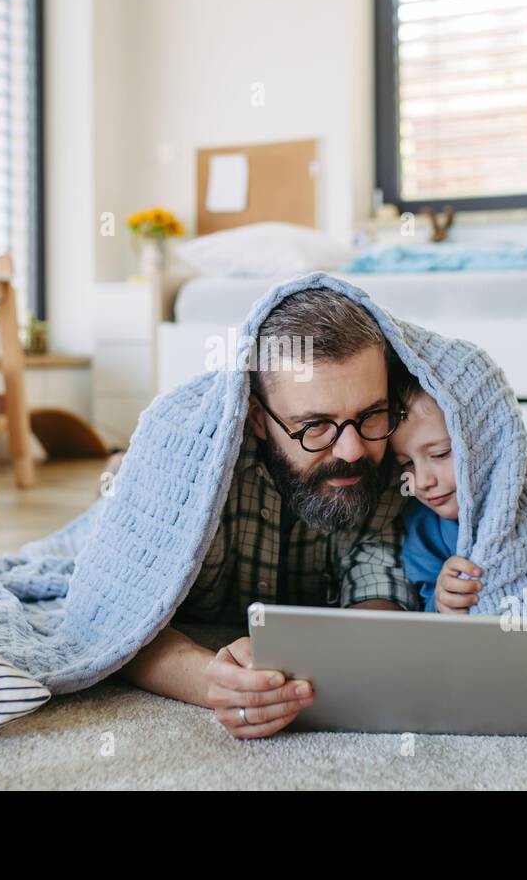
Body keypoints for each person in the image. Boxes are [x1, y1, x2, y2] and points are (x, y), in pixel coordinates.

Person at [118, 289, 417, 739]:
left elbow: (379, 577)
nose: (353, 450)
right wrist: (210, 680)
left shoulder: (391, 455)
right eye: (316, 426)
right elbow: (123, 618)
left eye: (371, 414)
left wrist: (363, 647)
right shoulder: (191, 467)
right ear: (257, 418)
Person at [387, 365, 484, 614]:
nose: (421, 482)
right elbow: (428, 624)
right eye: (406, 464)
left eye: (440, 454)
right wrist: (442, 600)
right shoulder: (423, 528)